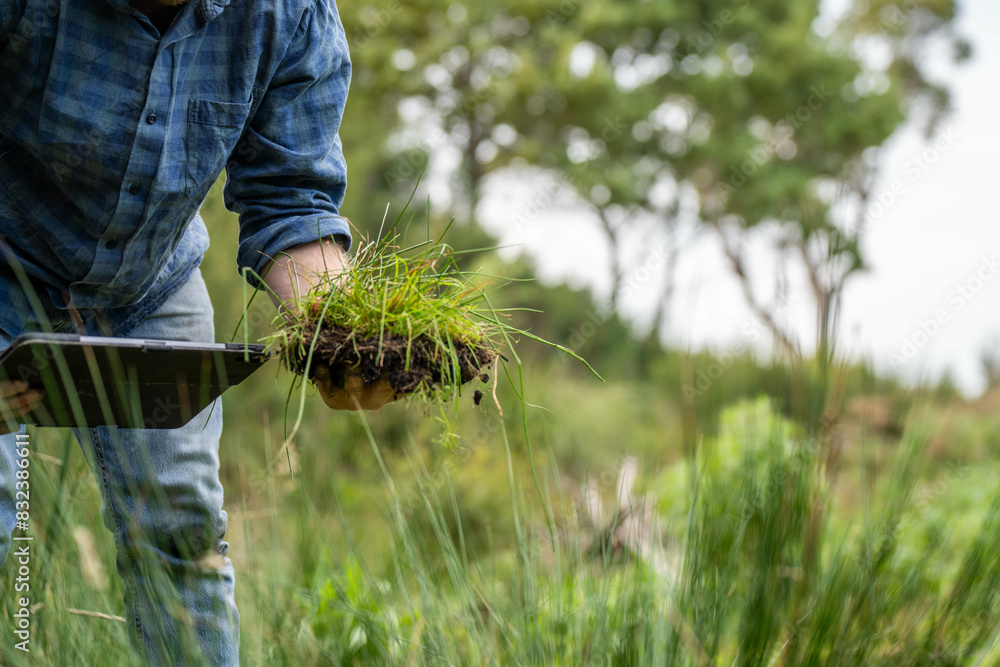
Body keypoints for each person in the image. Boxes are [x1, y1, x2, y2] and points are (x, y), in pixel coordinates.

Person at [0, 0, 393, 663]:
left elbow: (292, 201)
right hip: (8, 252)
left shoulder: (288, 13)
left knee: (183, 535)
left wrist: (345, 336)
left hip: (151, 278)